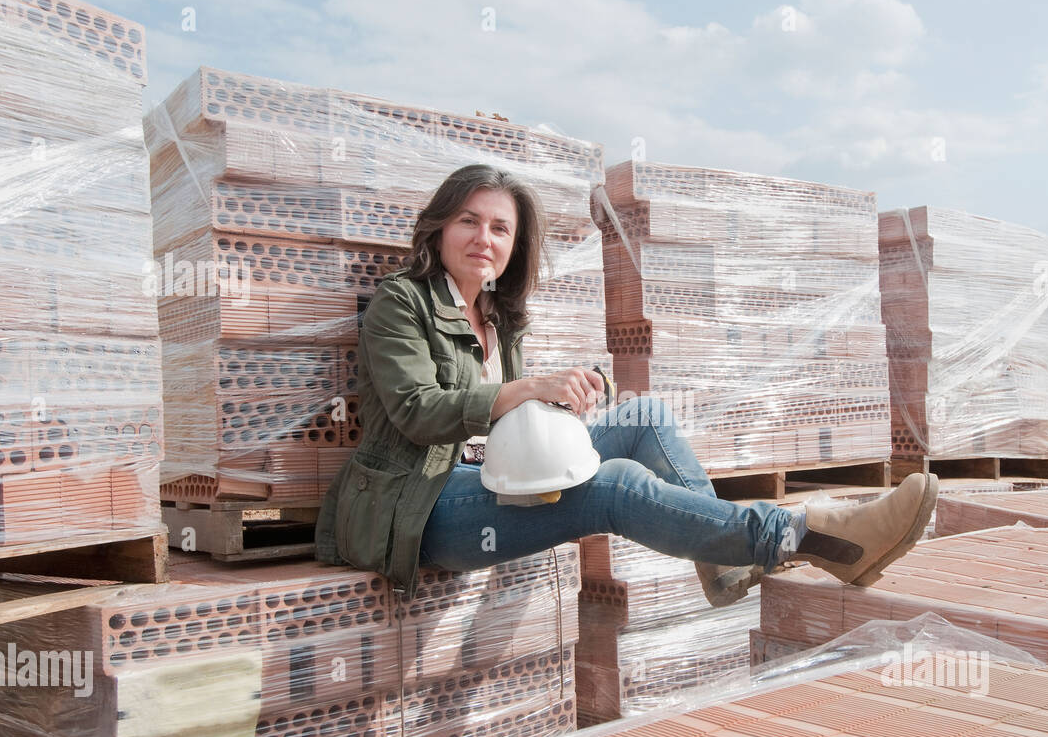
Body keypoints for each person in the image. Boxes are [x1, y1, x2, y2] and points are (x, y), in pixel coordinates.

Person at [314, 164, 938, 604]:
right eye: (469, 221)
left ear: (513, 246)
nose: (484, 238)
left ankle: (720, 568)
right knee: (610, 487)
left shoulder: (498, 319)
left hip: (493, 475)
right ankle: (811, 535)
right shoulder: (403, 303)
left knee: (644, 419)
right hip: (422, 508)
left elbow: (512, 421)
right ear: (439, 229)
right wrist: (529, 390)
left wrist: (576, 392)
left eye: (500, 228)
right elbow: (419, 412)